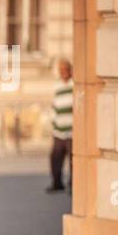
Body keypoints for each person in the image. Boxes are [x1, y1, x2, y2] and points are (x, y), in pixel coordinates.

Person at [48, 59, 73, 193]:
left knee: (73, 160)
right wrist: (53, 123)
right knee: (55, 157)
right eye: (61, 70)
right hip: (59, 130)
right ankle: (57, 182)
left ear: (70, 70)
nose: (63, 72)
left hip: (72, 131)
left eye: (65, 69)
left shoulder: (74, 85)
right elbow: (54, 106)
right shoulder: (57, 87)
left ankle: (73, 185)